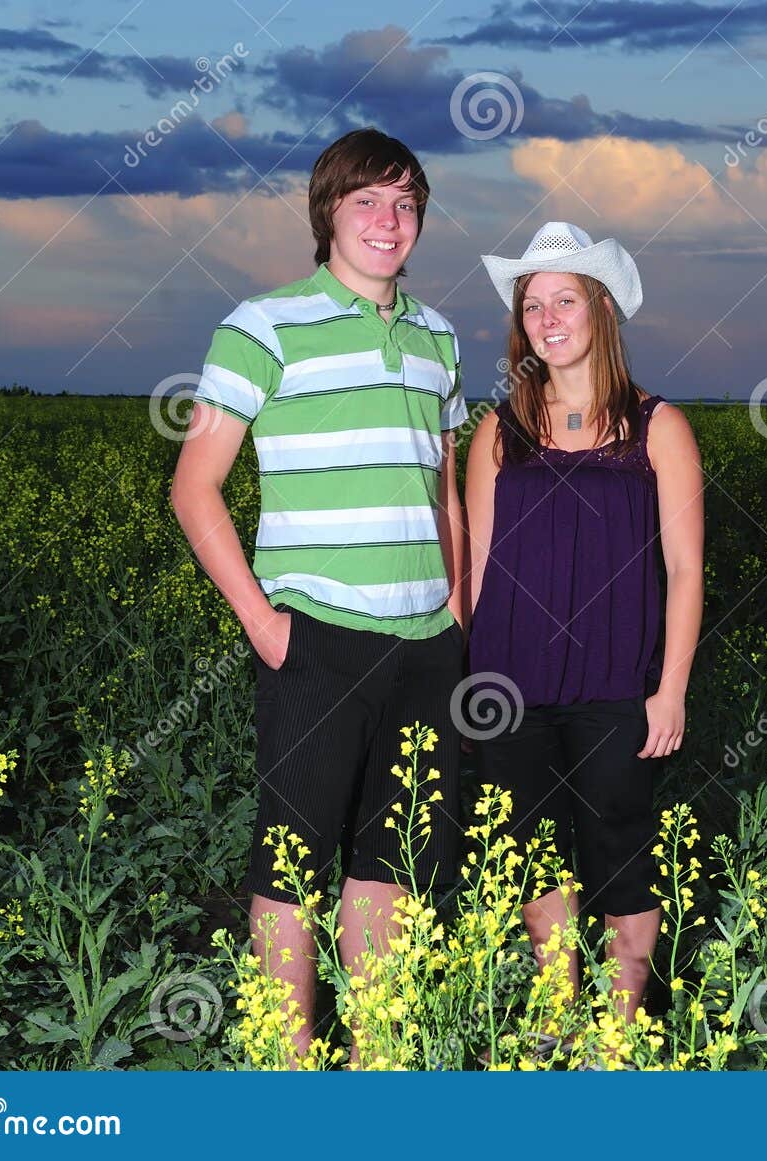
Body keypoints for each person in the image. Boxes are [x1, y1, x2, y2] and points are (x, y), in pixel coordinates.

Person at [170, 127, 468, 1064]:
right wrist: (264, 623)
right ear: (327, 212)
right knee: (290, 869)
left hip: (429, 648)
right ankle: (289, 1075)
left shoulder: (440, 338)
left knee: (392, 872)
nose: (389, 222)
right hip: (317, 641)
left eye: (406, 203)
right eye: (367, 202)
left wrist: (461, 607)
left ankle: (375, 1063)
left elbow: (445, 484)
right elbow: (193, 487)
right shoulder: (263, 324)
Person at [465, 222, 705, 1026]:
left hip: (615, 687)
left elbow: (685, 572)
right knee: (537, 863)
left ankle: (616, 1038)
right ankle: (556, 1023)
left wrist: (669, 690)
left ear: (601, 308)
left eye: (565, 298)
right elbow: (475, 568)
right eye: (532, 304)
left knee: (624, 861)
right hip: (511, 687)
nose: (547, 317)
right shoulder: (500, 431)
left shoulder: (658, 428)